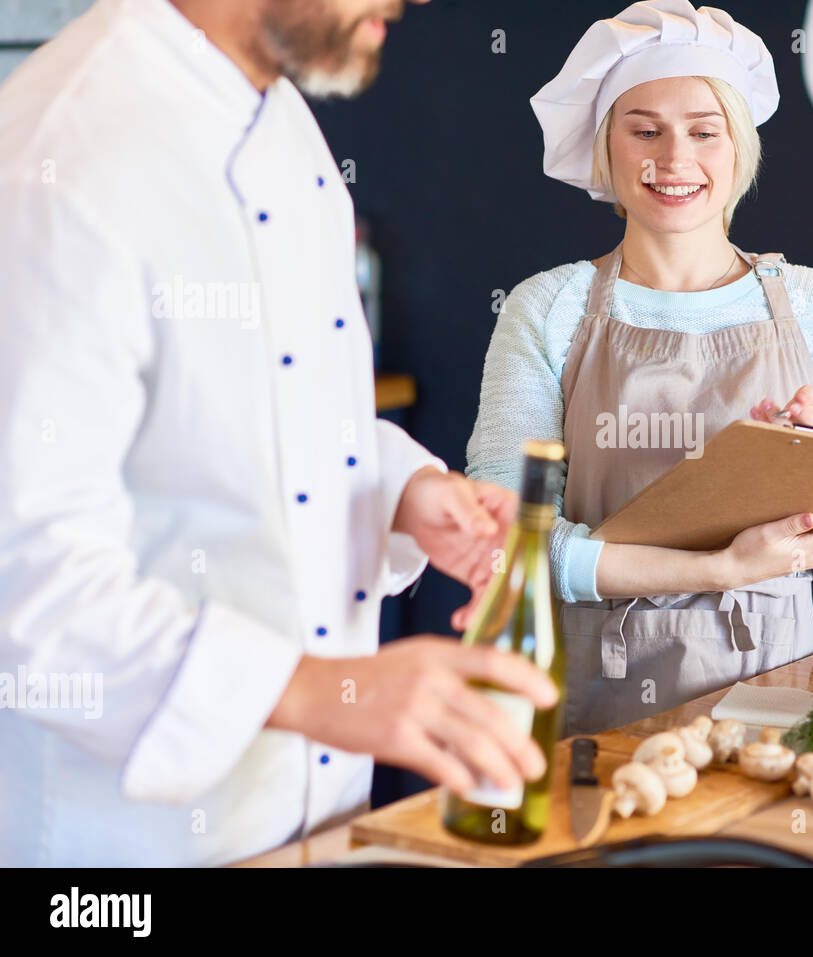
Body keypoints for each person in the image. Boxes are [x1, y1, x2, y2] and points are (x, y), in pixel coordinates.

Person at [0, 0, 556, 867]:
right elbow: (26, 575)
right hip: (115, 850)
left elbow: (257, 411)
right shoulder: (66, 150)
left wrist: (404, 493)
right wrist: (321, 690)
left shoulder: (279, 118)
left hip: (304, 818)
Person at [467, 0, 813, 735]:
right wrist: (717, 569)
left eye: (704, 131)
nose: (674, 160)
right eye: (644, 130)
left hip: (774, 709)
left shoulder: (811, 303)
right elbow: (512, 547)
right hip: (594, 715)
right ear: (606, 147)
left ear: (739, 148)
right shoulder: (547, 308)